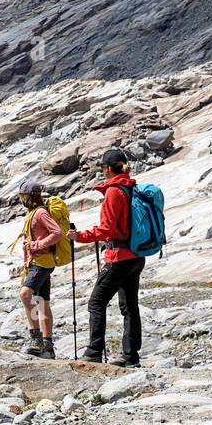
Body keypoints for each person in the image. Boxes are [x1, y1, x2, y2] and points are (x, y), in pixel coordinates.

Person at [68, 148, 143, 367]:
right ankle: (131, 357)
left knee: (96, 302)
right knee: (130, 306)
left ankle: (93, 352)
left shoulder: (113, 192)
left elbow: (107, 230)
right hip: (137, 255)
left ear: (107, 168)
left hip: (118, 256)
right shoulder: (132, 188)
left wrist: (79, 235)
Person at [15, 180, 63, 359]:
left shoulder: (40, 213)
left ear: (28, 196)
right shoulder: (34, 213)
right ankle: (48, 343)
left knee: (25, 295)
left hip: (41, 263)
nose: (21, 199)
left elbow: (57, 233)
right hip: (40, 261)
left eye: (22, 196)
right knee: (42, 303)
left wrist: (35, 245)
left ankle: (36, 340)